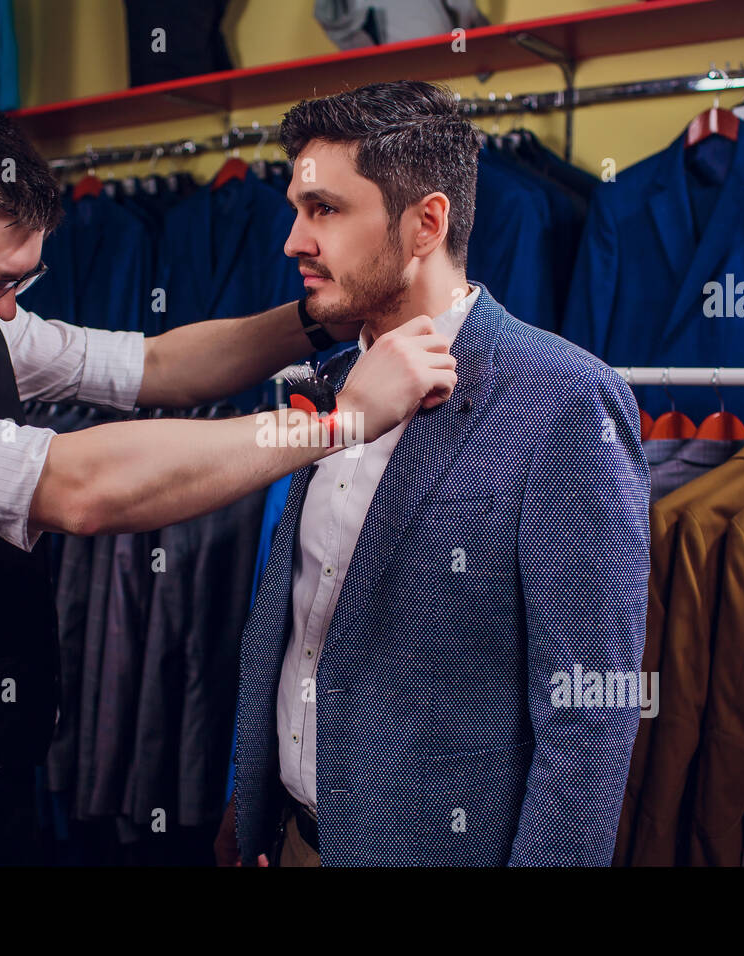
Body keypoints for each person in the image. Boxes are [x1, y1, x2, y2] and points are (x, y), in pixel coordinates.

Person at [0, 94, 456, 866]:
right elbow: (78, 487)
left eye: (22, 282)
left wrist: (318, 317)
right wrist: (337, 422)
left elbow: (159, 367)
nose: (7, 310)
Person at [230, 80, 650, 866]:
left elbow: (591, 715)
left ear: (426, 222)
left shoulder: (564, 400)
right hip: (290, 841)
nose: (292, 239)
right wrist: (250, 804)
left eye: (324, 209)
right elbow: (298, 627)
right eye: (296, 208)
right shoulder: (322, 383)